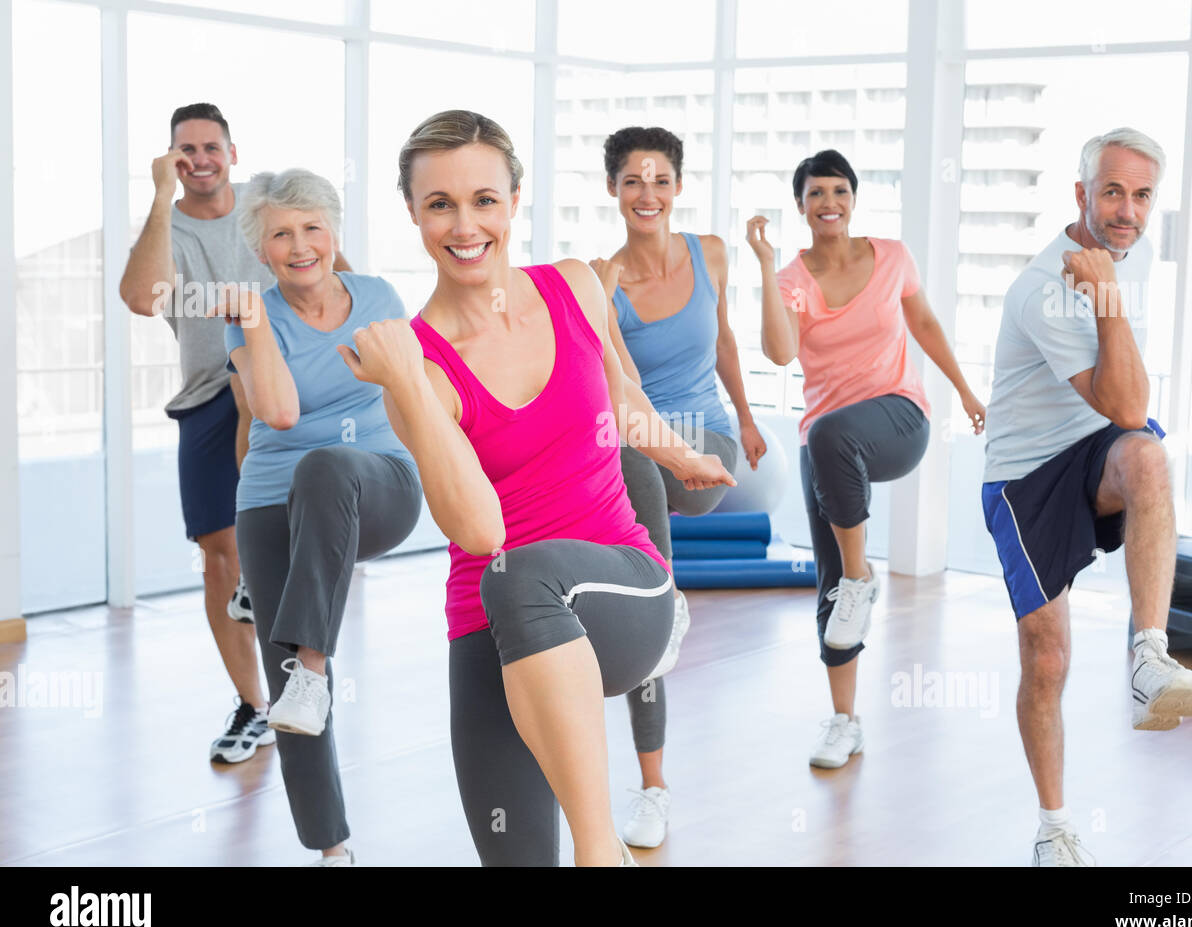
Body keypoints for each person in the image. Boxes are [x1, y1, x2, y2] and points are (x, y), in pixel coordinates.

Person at [339, 109, 734, 866]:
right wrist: (410, 387)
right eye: (440, 204)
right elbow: (480, 532)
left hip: (620, 590)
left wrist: (682, 457)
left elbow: (622, 397)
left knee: (521, 577)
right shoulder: (414, 368)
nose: (465, 225)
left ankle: (599, 851)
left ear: (515, 199)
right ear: (414, 214)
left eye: (484, 199)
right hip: (490, 621)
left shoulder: (576, 286)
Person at [979, 128, 1192, 867]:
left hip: (1090, 452)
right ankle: (1054, 829)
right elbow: (1128, 403)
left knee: (1147, 460)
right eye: (1113, 191)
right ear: (1080, 194)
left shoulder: (1109, 271)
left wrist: (1110, 292)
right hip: (1025, 479)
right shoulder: (1045, 288)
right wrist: (1107, 296)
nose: (1128, 210)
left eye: (1142, 196)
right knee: (1047, 659)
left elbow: (1132, 422)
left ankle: (1148, 657)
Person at [746, 149, 985, 770]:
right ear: (800, 206)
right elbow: (778, 352)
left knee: (830, 438)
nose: (829, 203)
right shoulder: (793, 280)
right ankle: (844, 721)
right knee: (829, 591)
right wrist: (768, 269)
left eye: (839, 191)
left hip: (899, 418)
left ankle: (861, 578)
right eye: (816, 193)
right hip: (826, 442)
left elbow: (925, 323)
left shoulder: (892, 257)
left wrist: (962, 389)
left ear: (854, 199)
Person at [220, 168, 421, 866]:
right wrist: (252, 320)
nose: (300, 245)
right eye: (282, 233)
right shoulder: (250, 318)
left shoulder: (379, 298)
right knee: (292, 697)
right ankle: (332, 850)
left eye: (312, 227)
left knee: (326, 465)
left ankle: (313, 658)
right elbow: (278, 412)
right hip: (274, 502)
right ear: (263, 250)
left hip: (379, 484)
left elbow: (416, 390)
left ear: (334, 233)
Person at [118, 103, 328, 763]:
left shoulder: (266, 208)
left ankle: (306, 680)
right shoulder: (169, 227)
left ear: (232, 154)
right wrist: (159, 194)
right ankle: (254, 705)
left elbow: (330, 265)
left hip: (287, 387)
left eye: (212, 146)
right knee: (217, 559)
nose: (200, 159)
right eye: (187, 151)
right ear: (173, 160)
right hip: (209, 396)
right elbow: (141, 296)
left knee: (251, 378)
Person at [589, 126, 766, 850]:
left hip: (709, 441)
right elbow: (621, 384)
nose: (647, 194)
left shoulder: (711, 253)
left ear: (678, 187)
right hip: (644, 440)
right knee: (645, 623)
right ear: (613, 190)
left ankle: (659, 592)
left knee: (643, 477)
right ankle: (653, 786)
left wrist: (750, 419)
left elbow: (724, 342)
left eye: (660, 180)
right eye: (633, 181)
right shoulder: (604, 279)